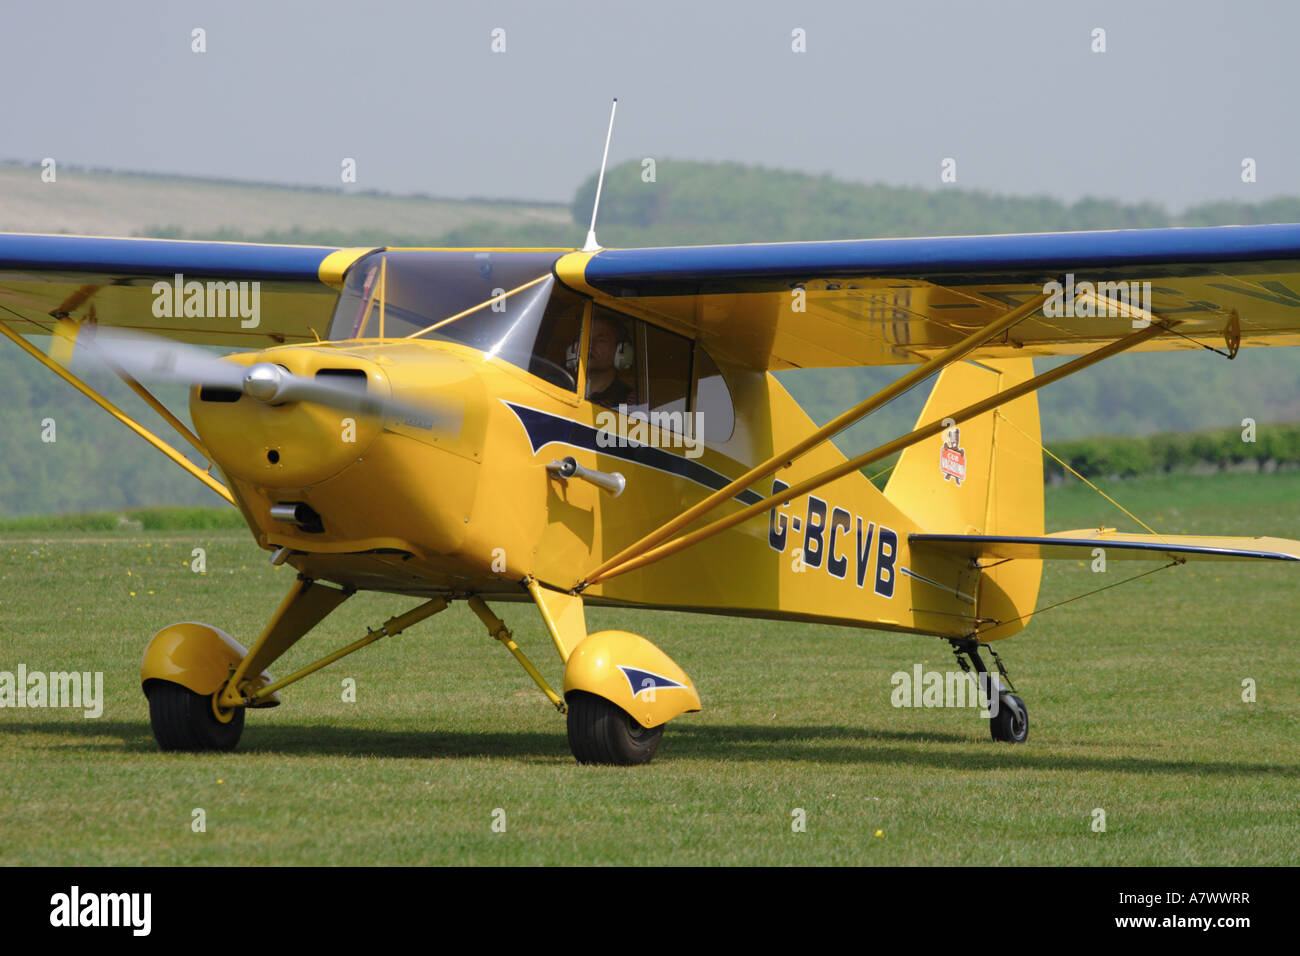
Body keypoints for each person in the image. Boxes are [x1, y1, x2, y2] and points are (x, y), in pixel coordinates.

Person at [586, 312, 637, 408]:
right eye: (586, 338)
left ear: (621, 351)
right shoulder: (564, 385)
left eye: (601, 340)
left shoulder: (628, 401)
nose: (590, 345)